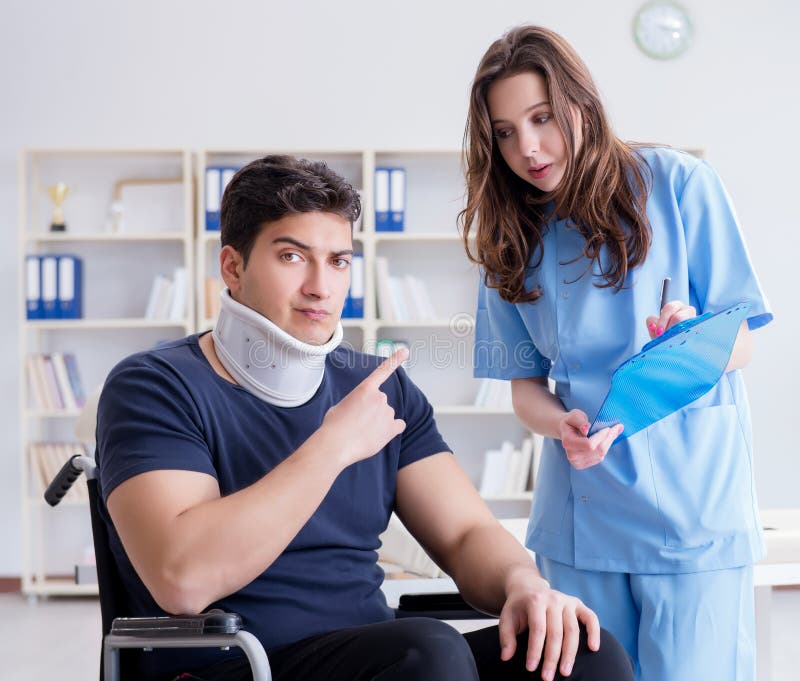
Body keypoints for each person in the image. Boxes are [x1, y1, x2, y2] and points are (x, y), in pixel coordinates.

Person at [95, 154, 633, 681]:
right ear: (233, 266)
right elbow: (183, 580)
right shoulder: (153, 386)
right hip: (235, 662)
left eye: (338, 261)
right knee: (428, 650)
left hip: (377, 658)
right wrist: (331, 447)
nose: (320, 287)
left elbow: (467, 532)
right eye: (291, 256)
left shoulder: (379, 387)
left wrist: (523, 583)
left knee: (585, 650)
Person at [462, 25, 772, 681]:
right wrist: (559, 424)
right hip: (581, 518)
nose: (529, 147)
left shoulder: (679, 183)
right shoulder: (509, 234)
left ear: (580, 103)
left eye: (542, 118)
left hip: (693, 511)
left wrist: (691, 337)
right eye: (506, 131)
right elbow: (523, 388)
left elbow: (742, 338)